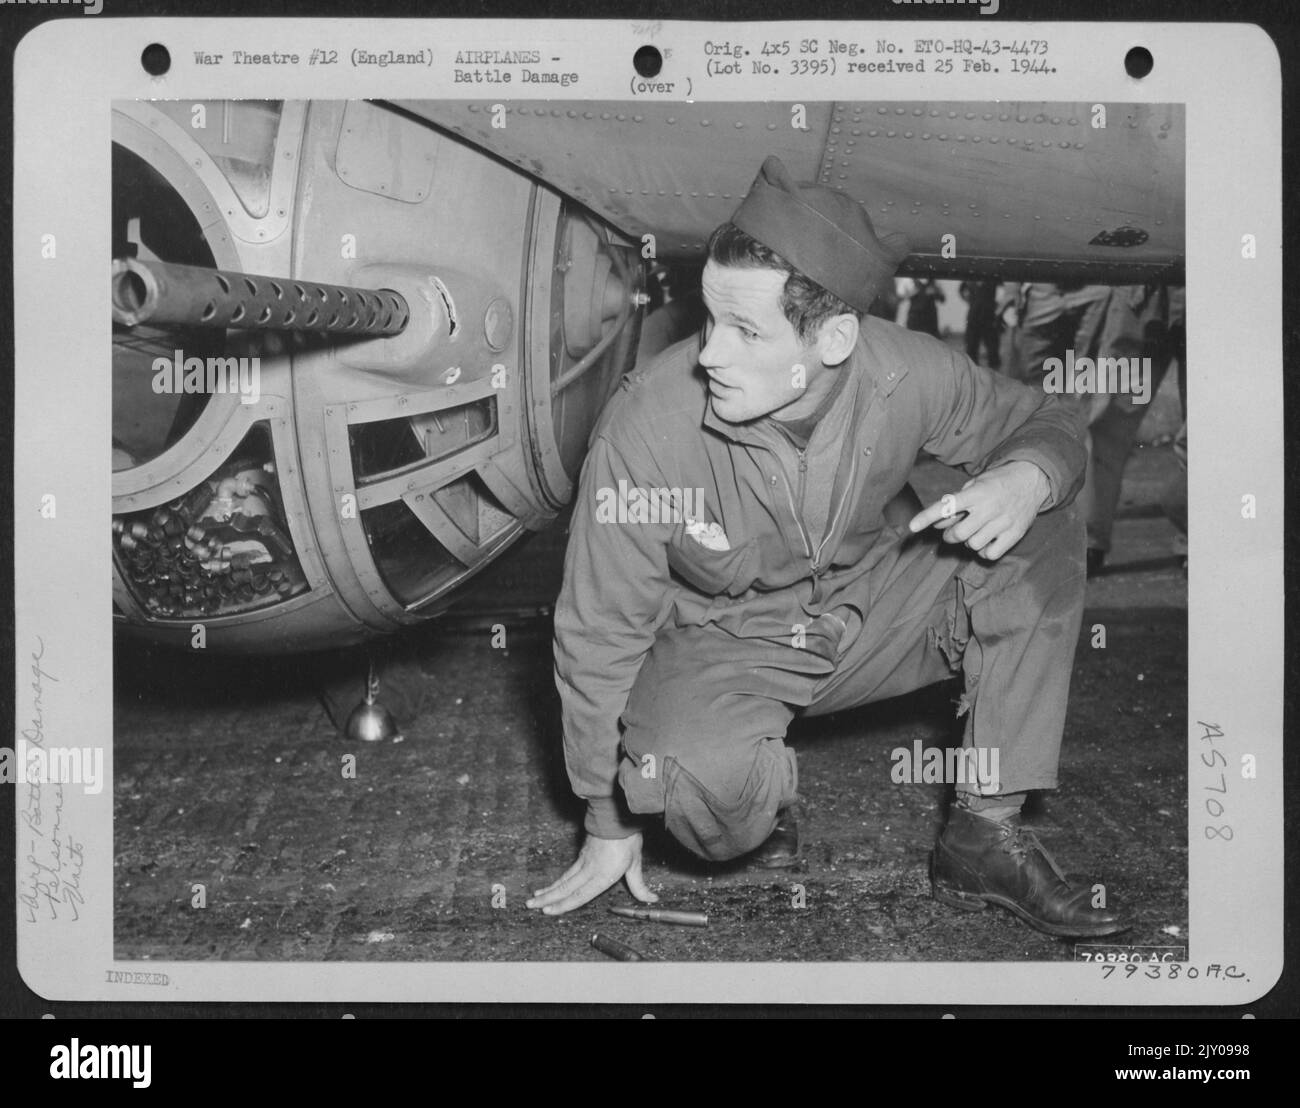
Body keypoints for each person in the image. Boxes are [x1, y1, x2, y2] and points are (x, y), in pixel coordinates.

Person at [528, 155, 1126, 939]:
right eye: (711, 320)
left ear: (836, 338)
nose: (710, 354)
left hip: (867, 613)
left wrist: (1022, 479)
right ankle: (761, 796)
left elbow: (1045, 421)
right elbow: (598, 632)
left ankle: (985, 831)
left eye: (745, 330)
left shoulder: (907, 372)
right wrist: (608, 819)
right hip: (722, 648)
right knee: (698, 784)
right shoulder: (646, 430)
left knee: (1041, 508)